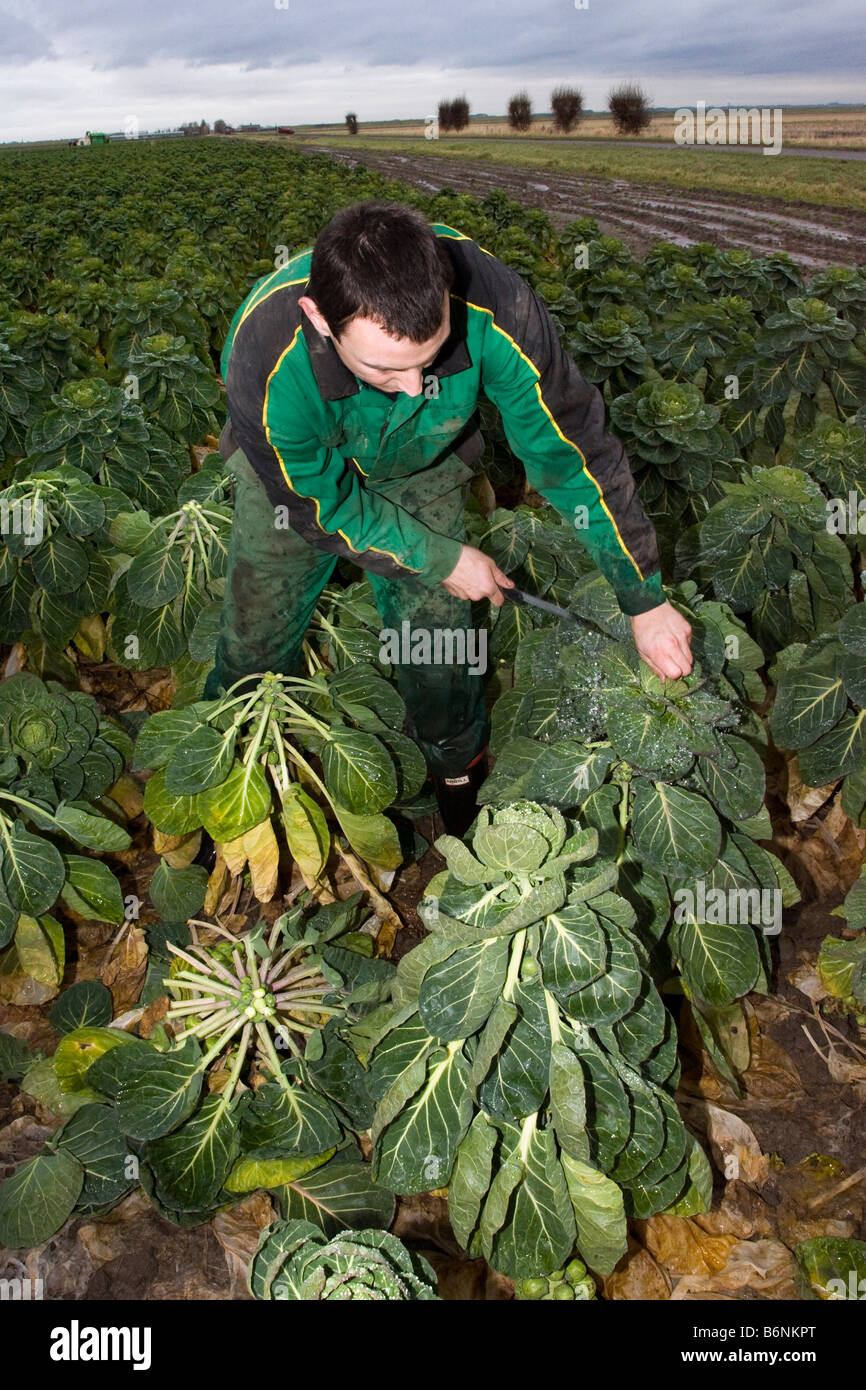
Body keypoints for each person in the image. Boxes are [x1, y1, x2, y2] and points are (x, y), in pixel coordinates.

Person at [204, 200, 693, 833]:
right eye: (383, 367)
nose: (414, 387)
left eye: (430, 359)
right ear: (319, 319)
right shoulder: (263, 353)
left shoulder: (498, 306)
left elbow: (574, 455)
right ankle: (233, 782)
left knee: (440, 650)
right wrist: (443, 557)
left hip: (423, 463)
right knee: (256, 634)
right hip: (301, 482)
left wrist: (643, 597)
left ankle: (459, 791)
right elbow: (319, 506)